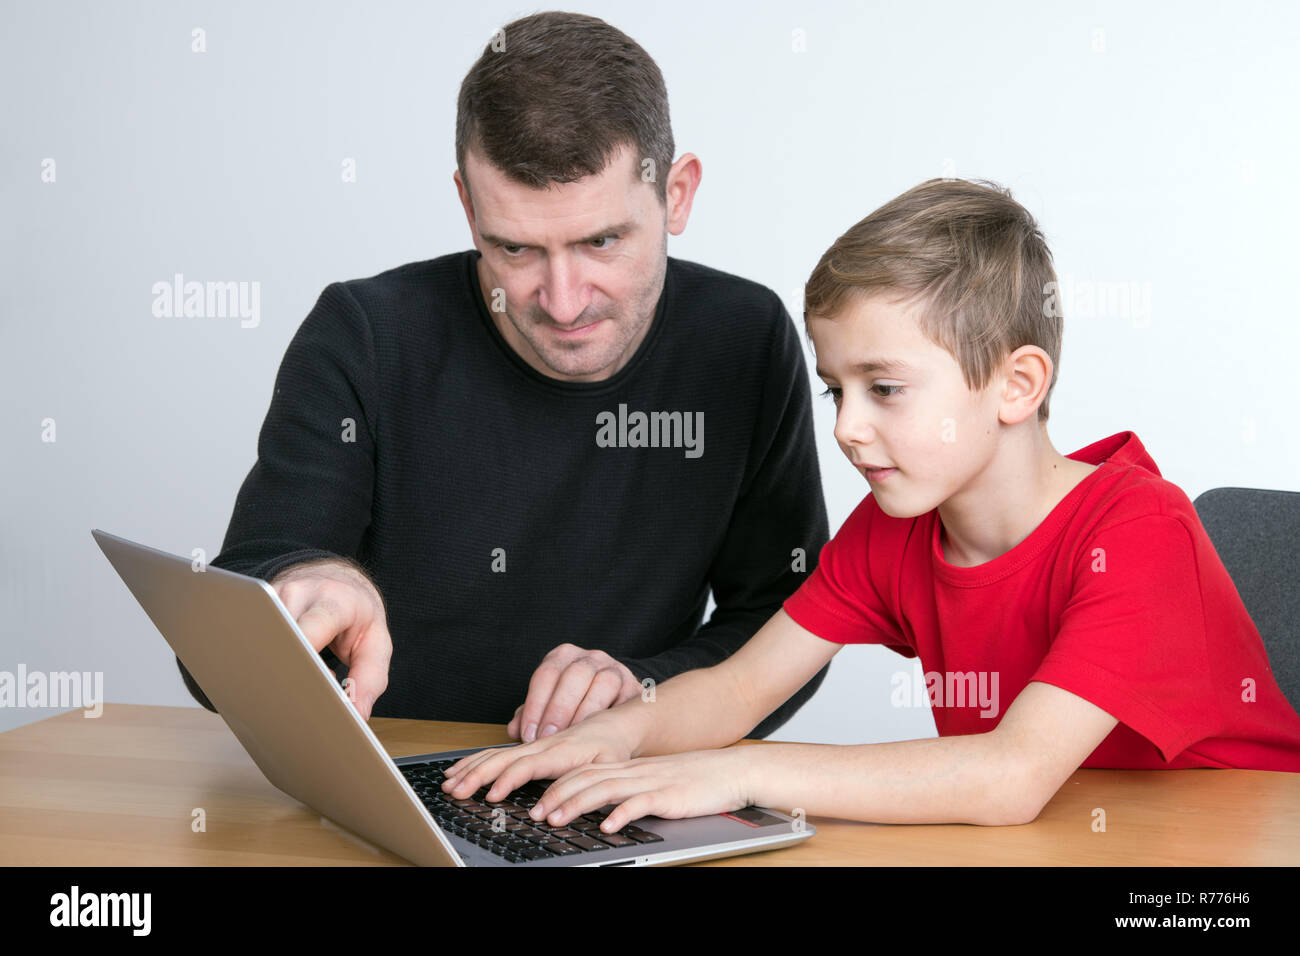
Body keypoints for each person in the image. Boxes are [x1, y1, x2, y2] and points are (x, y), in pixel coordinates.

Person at [439, 177, 1300, 833]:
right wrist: (614, 737)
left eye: (884, 388)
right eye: (834, 390)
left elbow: (1009, 777)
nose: (848, 429)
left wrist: (742, 775)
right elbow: (738, 688)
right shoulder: (895, 527)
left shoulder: (1138, 532)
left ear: (1016, 384)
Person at [176, 11, 831, 741]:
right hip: (389, 784)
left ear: (677, 194)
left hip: (612, 787)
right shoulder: (365, 333)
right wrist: (310, 585)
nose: (563, 300)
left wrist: (646, 693)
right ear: (466, 204)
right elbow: (218, 648)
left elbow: (790, 612)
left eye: (602, 241)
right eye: (514, 250)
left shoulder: (743, 338)